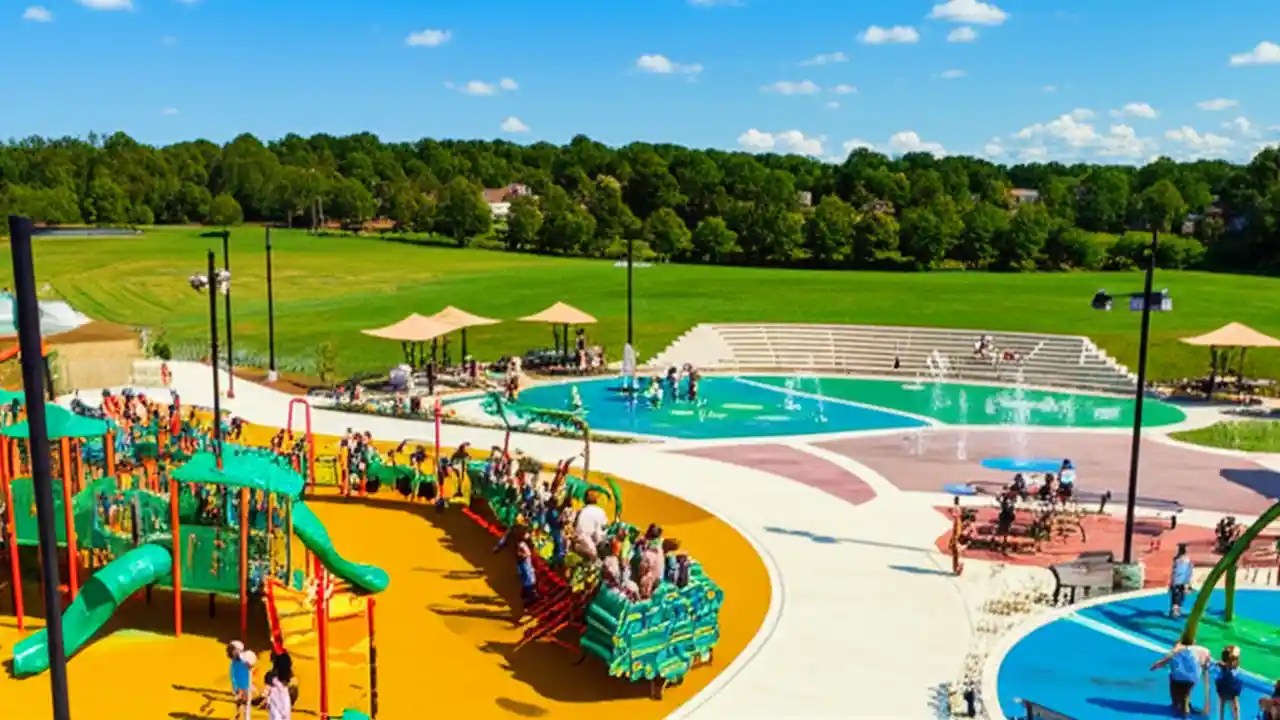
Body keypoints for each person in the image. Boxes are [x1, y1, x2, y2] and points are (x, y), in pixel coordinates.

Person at [1151, 643, 1210, 719]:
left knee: (1180, 693)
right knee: (1186, 694)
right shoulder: (1203, 651)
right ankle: (1184, 707)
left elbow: (1168, 658)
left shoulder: (1178, 650)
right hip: (1193, 677)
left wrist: (1157, 664)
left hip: (1179, 677)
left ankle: (1181, 710)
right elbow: (1205, 666)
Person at [1214, 645, 1243, 720]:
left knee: (1222, 703)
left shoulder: (1221, 666)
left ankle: (1221, 718)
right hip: (1232, 688)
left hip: (1223, 687)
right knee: (1235, 704)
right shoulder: (1235, 667)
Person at [1170, 544, 1194, 618]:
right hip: (1182, 582)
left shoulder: (1177, 560)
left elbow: (1174, 572)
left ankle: (1175, 611)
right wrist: (1188, 584)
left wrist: (1172, 582)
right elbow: (1189, 573)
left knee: (1176, 597)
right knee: (1180, 597)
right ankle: (1176, 610)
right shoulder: (1187, 560)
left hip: (1177, 582)